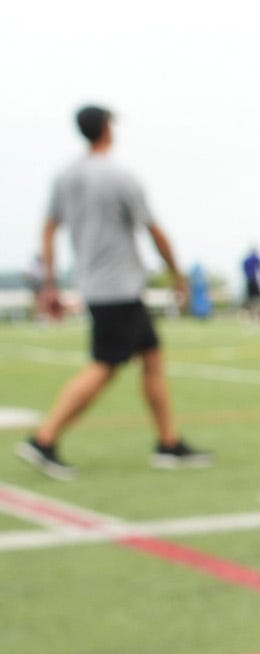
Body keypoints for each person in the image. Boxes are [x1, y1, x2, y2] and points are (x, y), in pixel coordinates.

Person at [16, 104, 210, 481]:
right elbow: (153, 230)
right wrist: (177, 275)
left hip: (98, 284)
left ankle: (168, 442)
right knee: (105, 366)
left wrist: (51, 283)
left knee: (152, 357)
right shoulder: (120, 176)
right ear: (107, 129)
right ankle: (44, 438)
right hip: (118, 286)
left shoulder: (66, 176)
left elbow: (48, 229)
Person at [240, 246, 260, 326]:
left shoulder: (246, 260)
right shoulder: (256, 258)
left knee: (250, 302)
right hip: (256, 282)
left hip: (249, 282)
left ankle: (251, 321)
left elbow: (244, 270)